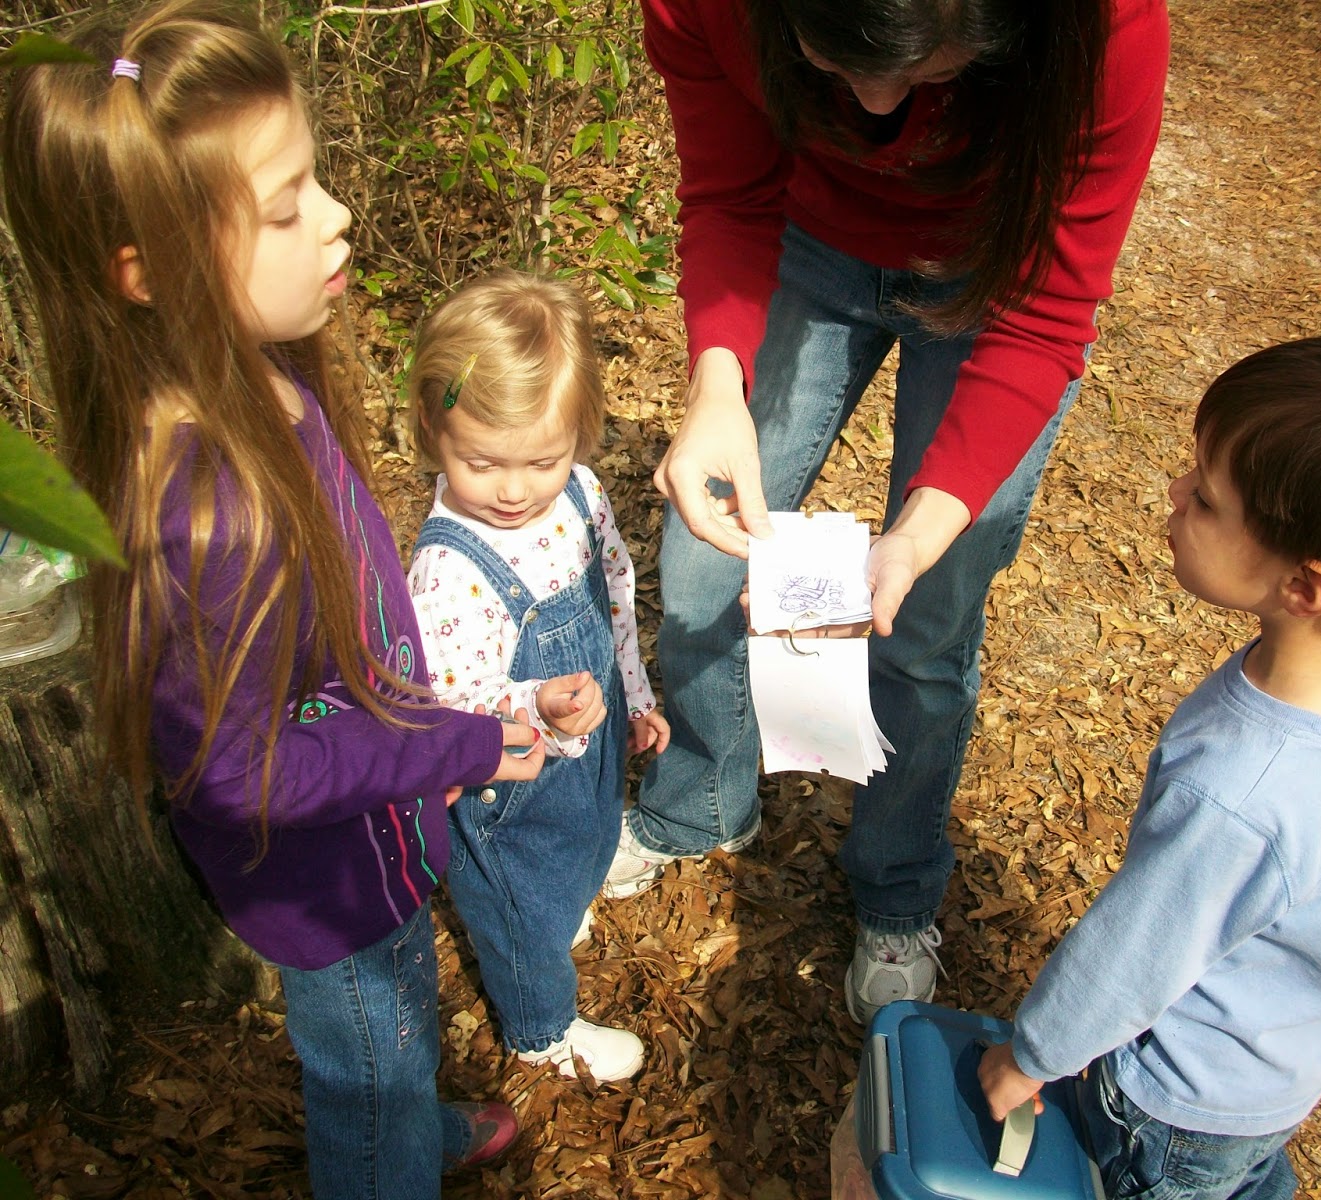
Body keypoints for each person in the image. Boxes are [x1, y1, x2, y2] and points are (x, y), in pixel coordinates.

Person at [0, 3, 547, 1195]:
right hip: (326, 887)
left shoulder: (266, 367)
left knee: (397, 1032)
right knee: (365, 1066)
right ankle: (383, 1158)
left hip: (377, 837)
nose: (337, 216)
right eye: (287, 205)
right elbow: (243, 770)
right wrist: (446, 746)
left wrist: (421, 749)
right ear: (147, 273)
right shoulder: (208, 516)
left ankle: (408, 1122)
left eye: (318, 181)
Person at [602, 0, 1171, 1023]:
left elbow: (1047, 308)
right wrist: (717, 384)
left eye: (925, 74)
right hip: (806, 248)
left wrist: (921, 528)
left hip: (992, 275)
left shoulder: (1102, 24)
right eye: (833, 61)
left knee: (923, 624)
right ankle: (697, 806)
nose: (871, 104)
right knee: (698, 560)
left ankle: (896, 886)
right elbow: (729, 193)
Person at [977, 334, 1321, 1199]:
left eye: (1208, 498)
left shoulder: (1237, 790)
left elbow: (1134, 954)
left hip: (1180, 1097)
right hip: (1290, 1046)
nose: (1176, 491)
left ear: (1307, 588)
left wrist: (1030, 1057)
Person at [406, 271, 669, 1082]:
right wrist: (535, 703)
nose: (515, 491)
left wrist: (635, 691)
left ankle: (566, 902)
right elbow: (452, 701)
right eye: (482, 463)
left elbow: (615, 589)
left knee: (587, 835)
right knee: (518, 901)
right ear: (432, 434)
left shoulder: (580, 495)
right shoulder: (449, 567)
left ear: (580, 437)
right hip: (511, 775)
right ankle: (540, 1026)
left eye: (542, 461)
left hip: (585, 738)